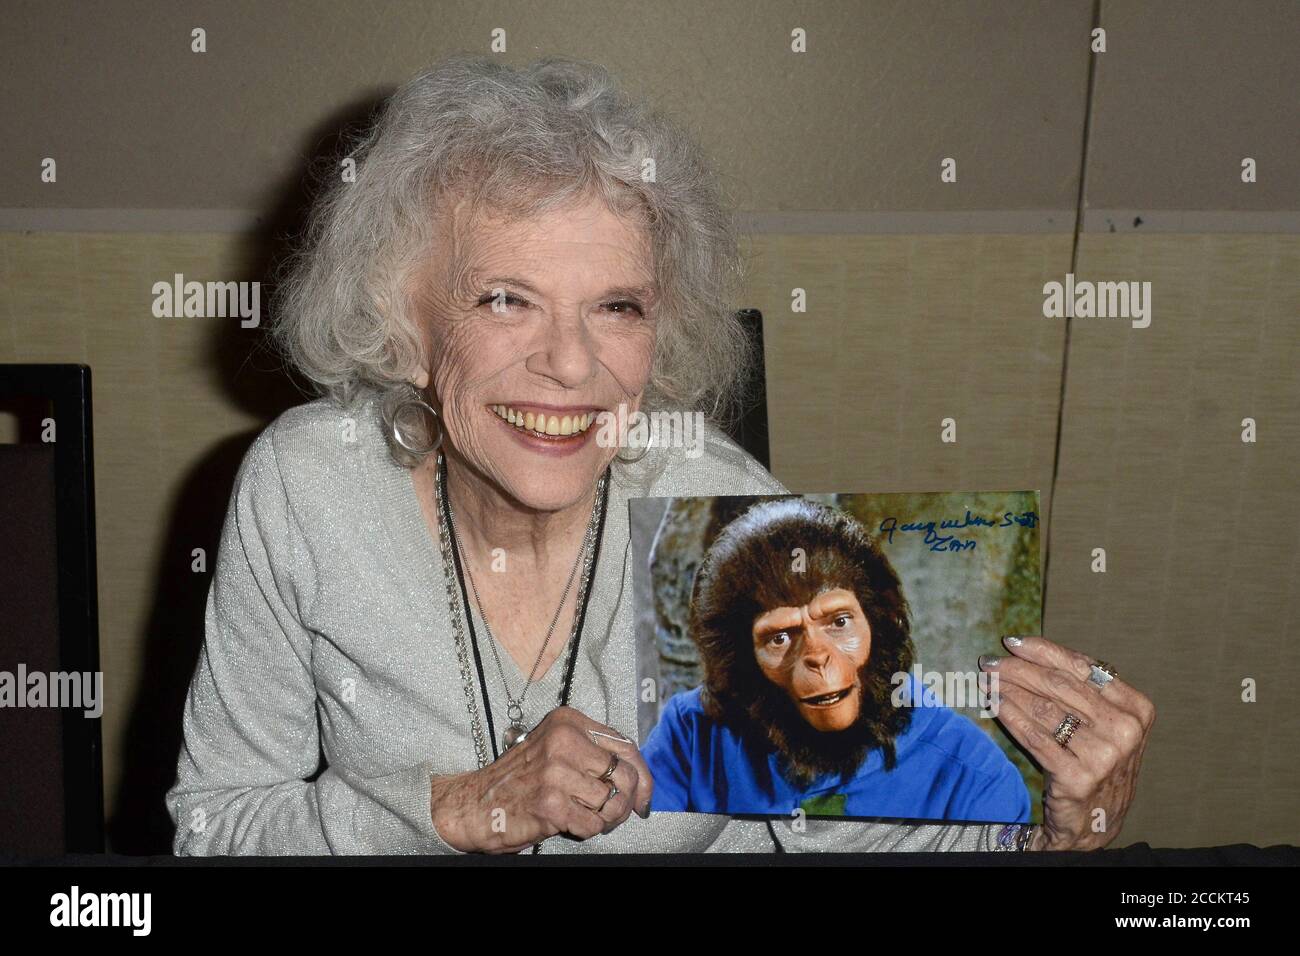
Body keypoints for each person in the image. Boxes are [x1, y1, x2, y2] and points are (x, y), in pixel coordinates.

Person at [165, 53, 1155, 855]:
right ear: (405, 325)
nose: (569, 362)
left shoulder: (734, 530)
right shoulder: (309, 487)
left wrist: (1065, 823)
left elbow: (893, 840)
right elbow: (214, 826)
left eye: (617, 306)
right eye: (505, 297)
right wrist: (456, 808)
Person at [643, 498, 1032, 824]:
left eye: (838, 622)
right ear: (740, 662)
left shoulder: (973, 778)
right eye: (780, 637)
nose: (816, 656)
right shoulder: (690, 734)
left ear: (882, 623)